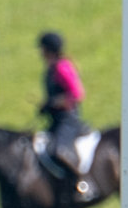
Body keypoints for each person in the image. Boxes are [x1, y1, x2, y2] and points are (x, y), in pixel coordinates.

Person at [37, 31, 89, 185]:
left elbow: (77, 94)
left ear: (48, 49)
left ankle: (81, 182)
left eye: (42, 48)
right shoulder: (51, 68)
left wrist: (53, 103)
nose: (40, 52)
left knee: (59, 150)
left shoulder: (62, 67)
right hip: (55, 121)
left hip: (68, 120)